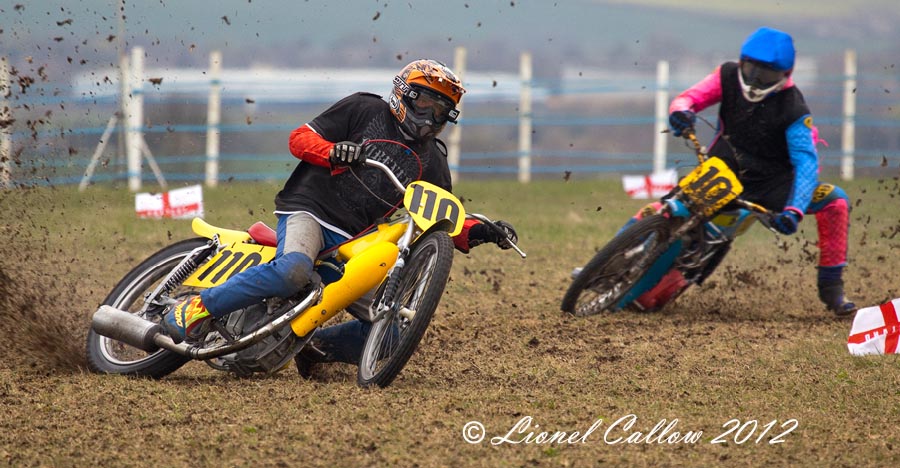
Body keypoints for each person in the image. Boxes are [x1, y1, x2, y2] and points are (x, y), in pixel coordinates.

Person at [161, 59, 518, 358]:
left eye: (440, 109)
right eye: (424, 102)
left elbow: (440, 219)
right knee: (293, 270)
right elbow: (299, 138)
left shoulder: (434, 163)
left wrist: (482, 231)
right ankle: (196, 308)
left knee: (392, 331)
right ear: (403, 95)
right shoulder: (364, 109)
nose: (429, 115)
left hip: (354, 243)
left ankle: (314, 349)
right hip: (309, 210)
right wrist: (334, 151)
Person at [665, 26, 855, 316]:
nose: (754, 81)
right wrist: (680, 112)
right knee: (668, 207)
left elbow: (806, 163)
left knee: (836, 201)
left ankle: (832, 289)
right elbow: (689, 98)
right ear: (741, 62)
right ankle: (613, 257)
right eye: (750, 69)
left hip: (771, 187)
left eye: (765, 75)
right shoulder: (726, 75)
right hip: (722, 169)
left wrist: (794, 210)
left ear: (785, 75)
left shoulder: (795, 109)